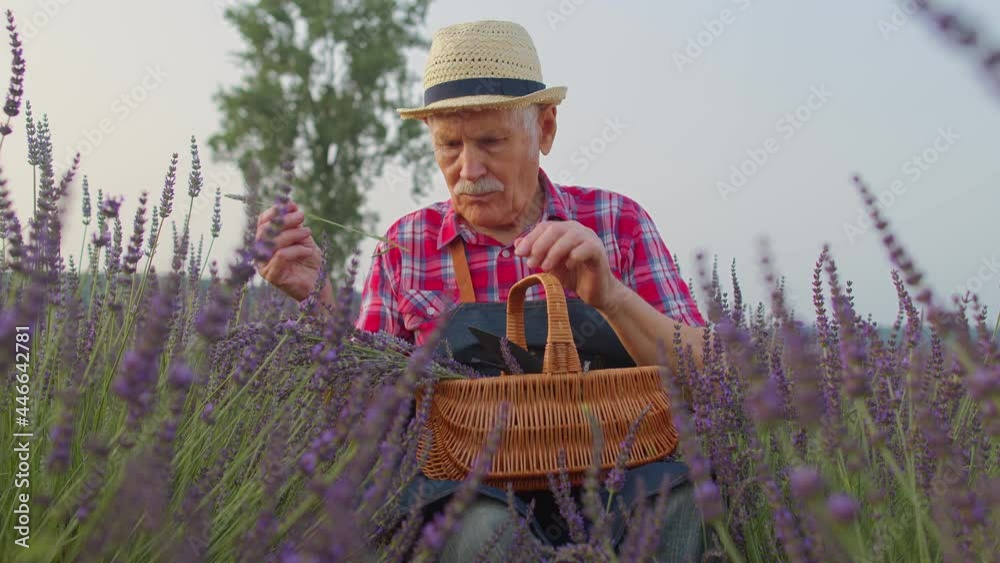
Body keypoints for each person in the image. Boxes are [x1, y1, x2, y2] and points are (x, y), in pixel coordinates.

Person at [255, 19, 711, 561]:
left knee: (683, 506)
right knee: (480, 531)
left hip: (622, 476)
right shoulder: (406, 244)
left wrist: (610, 295)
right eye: (449, 145)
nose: (467, 169)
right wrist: (316, 302)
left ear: (545, 129)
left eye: (491, 141)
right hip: (472, 488)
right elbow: (366, 419)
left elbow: (711, 371)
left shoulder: (617, 222)